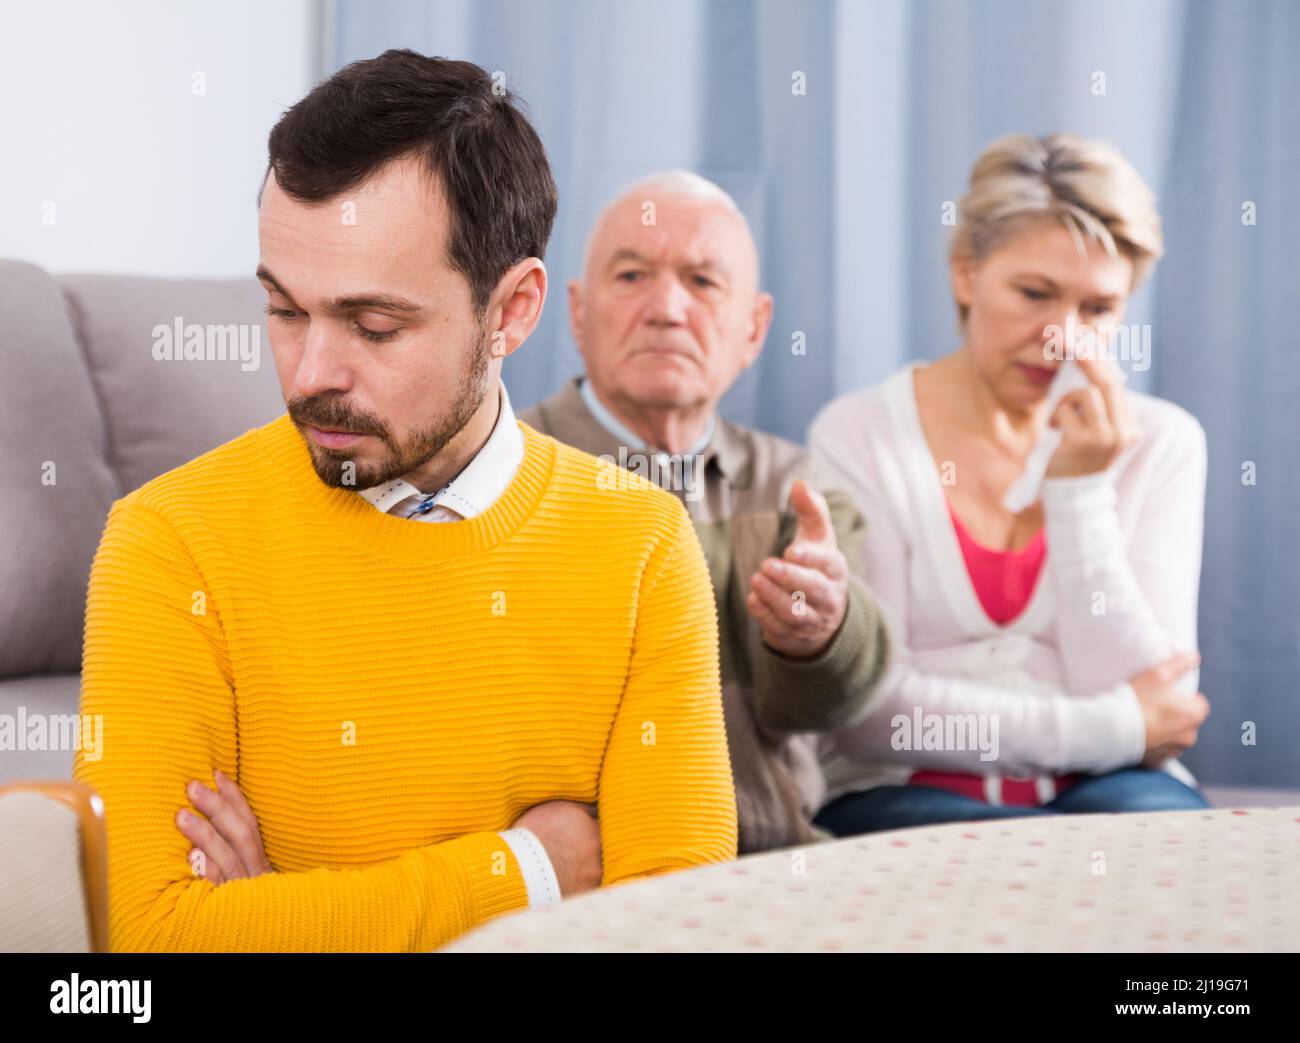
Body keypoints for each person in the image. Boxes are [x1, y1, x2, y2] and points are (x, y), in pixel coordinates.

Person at [73, 51, 737, 952]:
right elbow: (147, 944)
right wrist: (533, 870)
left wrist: (287, 916)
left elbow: (679, 931)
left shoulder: (644, 548)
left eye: (374, 326)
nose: (311, 376)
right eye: (285, 310)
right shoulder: (170, 543)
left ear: (513, 311)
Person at [809, 133, 1211, 835]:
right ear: (966, 274)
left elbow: (1168, 707)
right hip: (903, 792)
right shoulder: (860, 434)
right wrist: (1118, 722)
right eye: (1034, 293)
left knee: (1171, 867)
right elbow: (869, 715)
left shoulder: (1164, 444)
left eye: (1097, 309)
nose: (1063, 338)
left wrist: (1081, 497)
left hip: (1119, 786)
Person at [522, 171, 891, 852]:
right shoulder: (506, 470)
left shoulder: (795, 485)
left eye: (702, 282)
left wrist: (822, 633)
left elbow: (832, 707)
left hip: (775, 861)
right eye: (631, 275)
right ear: (576, 312)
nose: (666, 308)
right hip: (582, 880)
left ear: (753, 328)